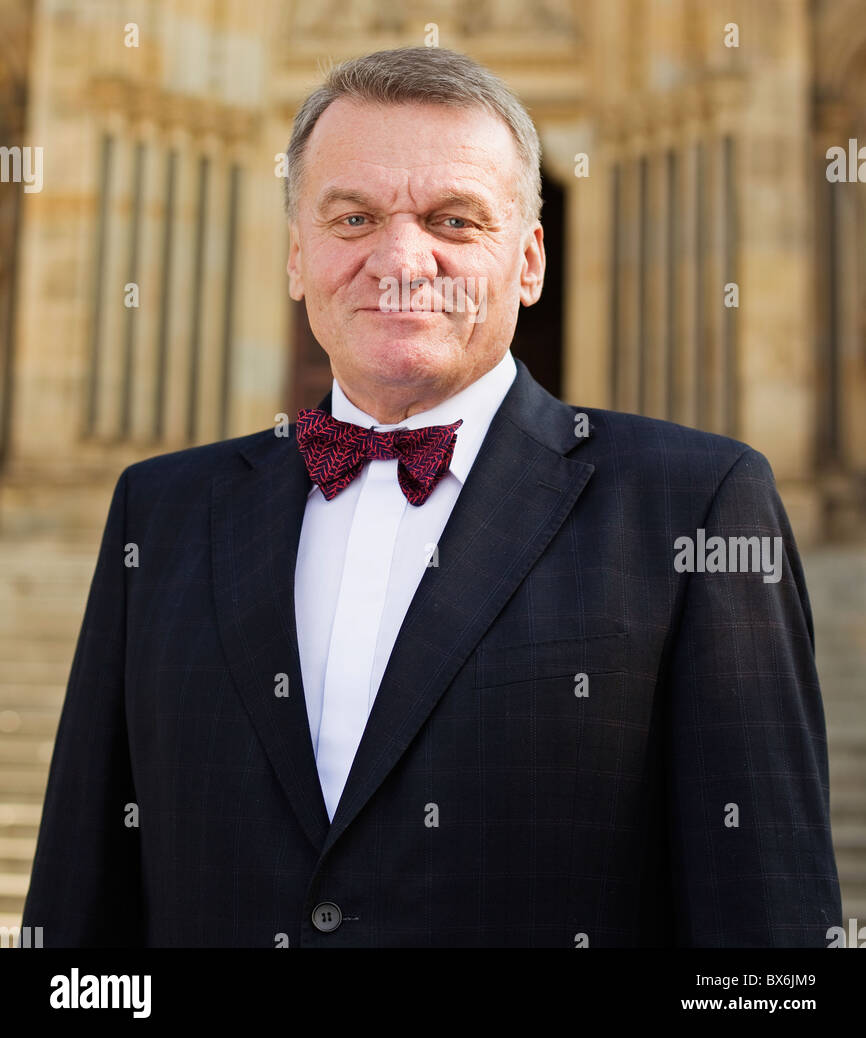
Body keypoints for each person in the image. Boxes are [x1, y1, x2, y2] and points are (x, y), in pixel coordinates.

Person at [22, 46, 841, 947]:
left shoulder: (696, 505)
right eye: (354, 217)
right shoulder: (161, 513)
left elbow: (771, 949)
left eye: (454, 220)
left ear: (529, 262)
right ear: (298, 256)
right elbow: (78, 922)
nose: (402, 259)